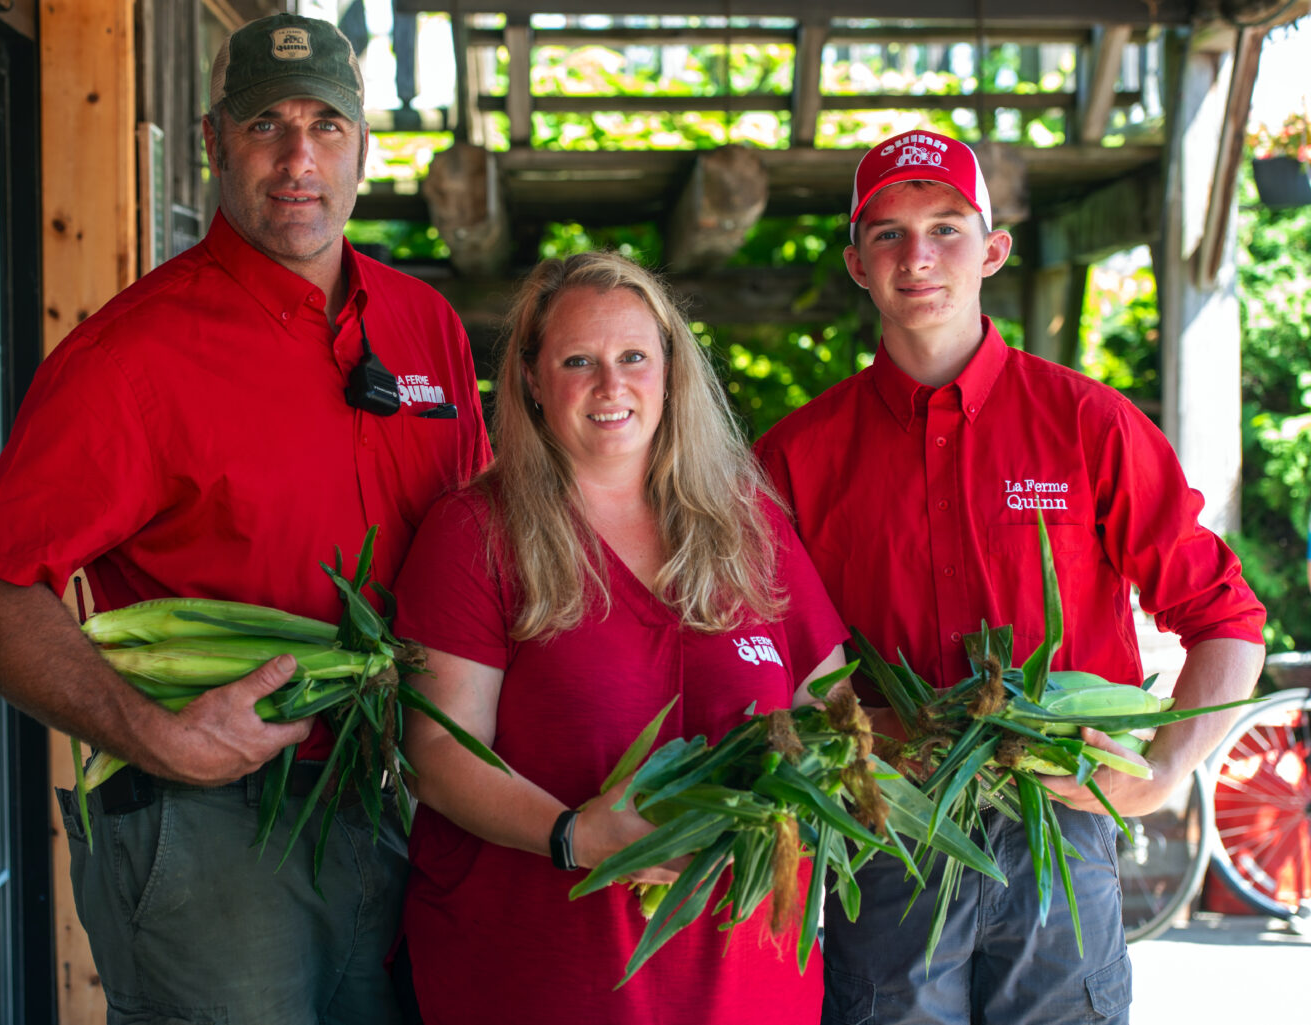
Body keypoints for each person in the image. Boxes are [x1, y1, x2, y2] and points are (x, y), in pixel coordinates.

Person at [0, 12, 489, 1024]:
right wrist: (157, 736)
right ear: (213, 141)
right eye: (266, 124)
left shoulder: (426, 326)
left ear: (364, 144)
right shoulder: (132, 357)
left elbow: (484, 555)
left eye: (325, 126)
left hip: (400, 797)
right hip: (215, 821)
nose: (298, 159)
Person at [754, 129, 1266, 1025]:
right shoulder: (796, 456)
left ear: (993, 250)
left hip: (1059, 827)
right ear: (857, 263)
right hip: (890, 829)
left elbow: (1225, 616)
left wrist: (1167, 770)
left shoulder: (1089, 424)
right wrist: (835, 733)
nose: (918, 257)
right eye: (888, 233)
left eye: (946, 228)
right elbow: (757, 651)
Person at [390, 251, 849, 1025]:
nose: (611, 384)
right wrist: (574, 835)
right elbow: (438, 753)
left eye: (634, 356)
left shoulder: (748, 526)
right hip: (547, 983)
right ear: (532, 380)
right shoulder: (475, 533)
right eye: (579, 361)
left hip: (750, 987)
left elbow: (828, 712)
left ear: (669, 371)